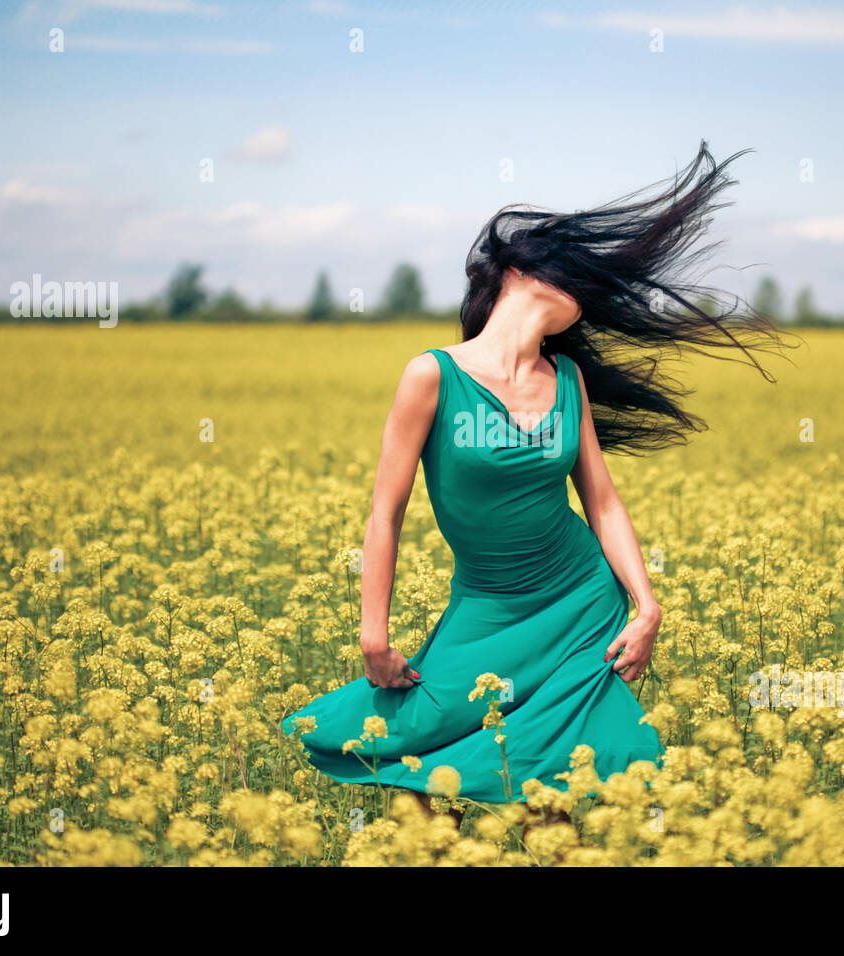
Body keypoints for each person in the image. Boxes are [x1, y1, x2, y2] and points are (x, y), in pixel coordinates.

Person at [282, 140, 795, 836]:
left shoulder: (568, 382)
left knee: (553, 782)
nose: (590, 294)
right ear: (519, 273)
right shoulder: (432, 376)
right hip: (489, 606)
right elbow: (386, 512)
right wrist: (373, 631)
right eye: (576, 276)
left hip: (582, 602)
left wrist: (646, 606)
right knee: (418, 750)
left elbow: (603, 501)